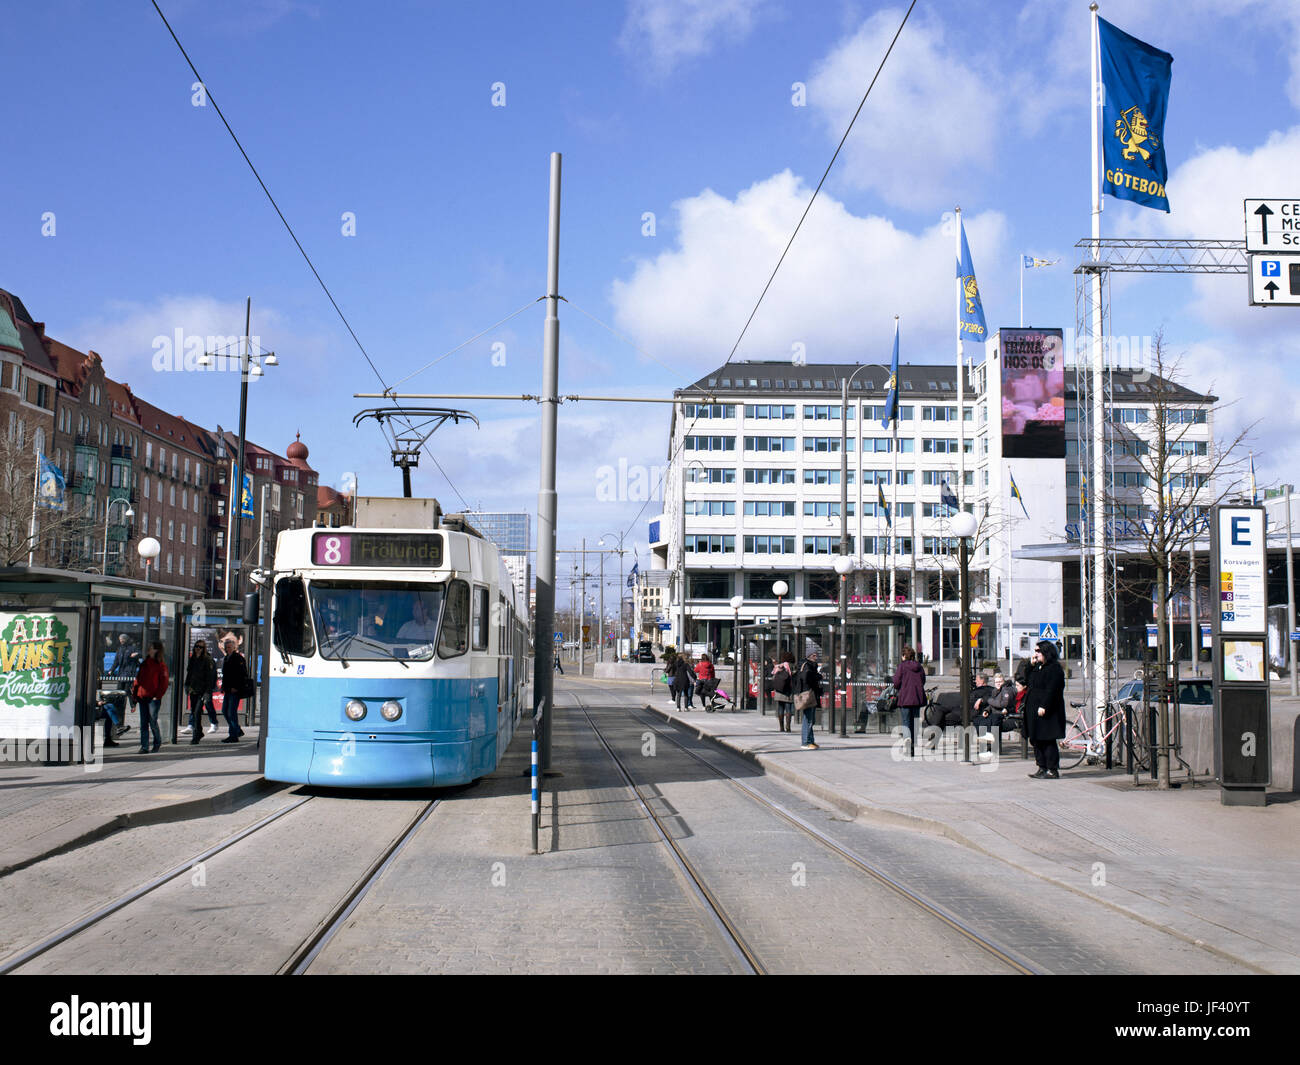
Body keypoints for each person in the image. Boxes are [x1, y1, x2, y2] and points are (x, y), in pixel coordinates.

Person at [1025, 639, 1066, 779]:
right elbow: (1027, 680)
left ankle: (1052, 769)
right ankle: (1041, 766)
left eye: (1038, 651)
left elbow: (1052, 690)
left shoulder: (1054, 669)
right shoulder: (1038, 667)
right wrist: (1030, 666)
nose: (1036, 654)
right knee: (1036, 739)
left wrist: (1044, 705)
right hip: (1033, 708)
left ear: (1046, 652)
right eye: (1035, 651)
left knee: (1047, 740)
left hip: (1047, 710)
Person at [132, 642, 169, 754]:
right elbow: (138, 680)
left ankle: (157, 743)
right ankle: (144, 746)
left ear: (157, 651)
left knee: (152, 721)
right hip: (143, 696)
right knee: (144, 723)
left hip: (153, 697)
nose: (149, 650)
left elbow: (164, 683)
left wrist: (157, 696)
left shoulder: (160, 665)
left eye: (151, 648)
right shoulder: (144, 663)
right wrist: (135, 694)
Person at [891, 645, 927, 758]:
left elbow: (896, 683)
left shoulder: (902, 666)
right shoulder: (919, 667)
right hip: (916, 698)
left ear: (904, 656)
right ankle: (913, 747)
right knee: (915, 722)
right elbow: (923, 680)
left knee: (906, 722)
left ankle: (907, 746)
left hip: (905, 698)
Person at [184, 640, 219, 743]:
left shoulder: (207, 660)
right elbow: (189, 673)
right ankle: (198, 732)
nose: (198, 649)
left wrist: (208, 692)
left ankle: (196, 735)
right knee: (194, 712)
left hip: (202, 691)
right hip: (193, 690)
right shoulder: (193, 659)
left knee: (197, 712)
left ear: (204, 649)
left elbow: (211, 677)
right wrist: (187, 685)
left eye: (200, 647)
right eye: (196, 646)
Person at [219, 634, 249, 743]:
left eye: (230, 647)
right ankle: (237, 730)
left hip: (234, 690)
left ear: (234, 647)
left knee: (231, 712)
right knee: (225, 711)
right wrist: (223, 687)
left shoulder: (238, 658)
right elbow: (226, 675)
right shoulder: (226, 658)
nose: (228, 649)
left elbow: (242, 674)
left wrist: (236, 687)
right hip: (227, 689)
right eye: (226, 647)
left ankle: (233, 735)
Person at [794, 649, 824, 749]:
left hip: (810, 694)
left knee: (811, 719)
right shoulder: (807, 666)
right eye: (814, 655)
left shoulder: (808, 665)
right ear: (810, 656)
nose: (816, 657)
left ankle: (810, 740)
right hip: (808, 694)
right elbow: (807, 678)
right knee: (808, 719)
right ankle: (806, 742)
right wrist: (818, 676)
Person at [770, 651, 795, 732]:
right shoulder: (792, 666)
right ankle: (788, 727)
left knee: (781, 708)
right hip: (788, 691)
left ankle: (781, 727)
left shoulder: (779, 666)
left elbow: (773, 675)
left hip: (779, 690)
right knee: (788, 709)